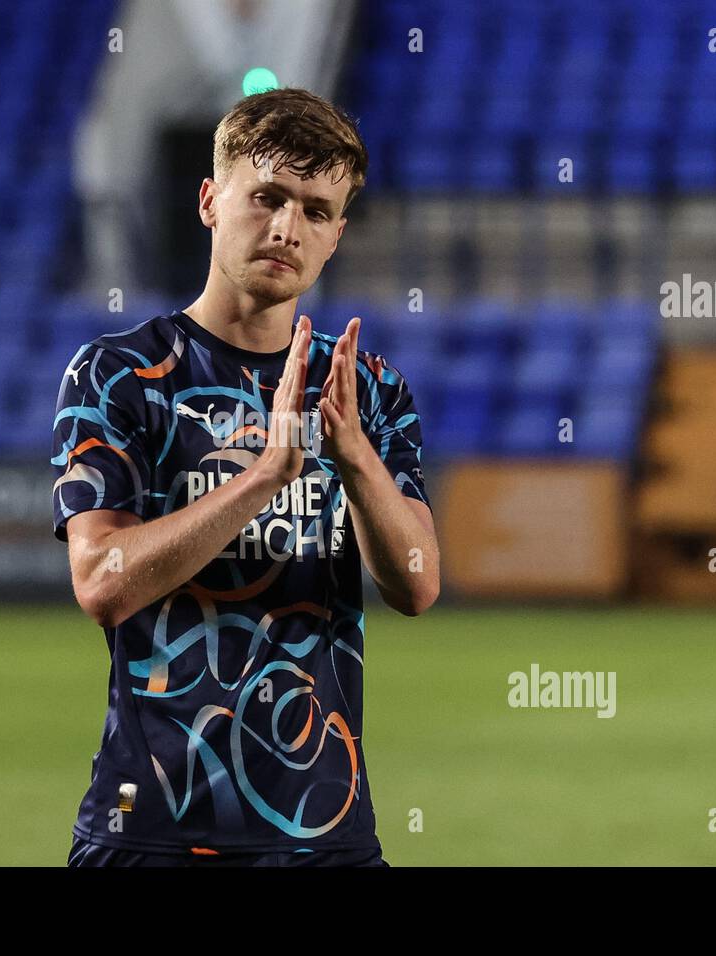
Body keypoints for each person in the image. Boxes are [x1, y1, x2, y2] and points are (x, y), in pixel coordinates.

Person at [53, 87, 439, 866]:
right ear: (210, 201)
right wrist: (264, 476)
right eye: (267, 197)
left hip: (323, 833)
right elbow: (101, 583)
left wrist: (357, 460)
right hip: (150, 829)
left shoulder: (367, 390)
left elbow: (418, 584)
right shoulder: (120, 376)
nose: (287, 227)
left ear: (335, 236)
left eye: (317, 210)